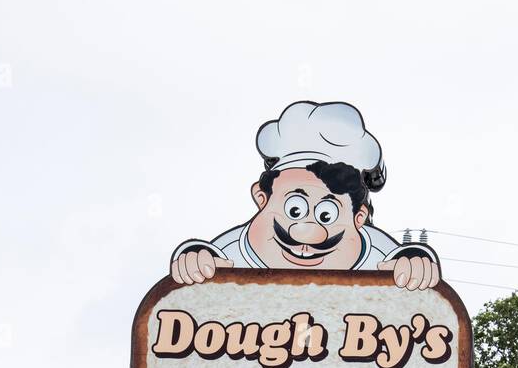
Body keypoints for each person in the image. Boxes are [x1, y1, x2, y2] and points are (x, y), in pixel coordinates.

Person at [169, 100, 440, 292]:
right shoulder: (237, 254)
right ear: (261, 198)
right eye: (294, 209)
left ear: (359, 218)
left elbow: (404, 265)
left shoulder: (375, 259)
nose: (307, 232)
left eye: (327, 215)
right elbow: (206, 267)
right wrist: (193, 260)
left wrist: (415, 264)